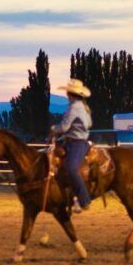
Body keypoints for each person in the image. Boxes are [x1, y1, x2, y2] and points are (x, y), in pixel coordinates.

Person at [50, 78, 94, 214]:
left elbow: (64, 127)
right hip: (74, 141)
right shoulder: (82, 107)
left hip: (77, 143)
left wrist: (53, 129)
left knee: (71, 167)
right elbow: (89, 124)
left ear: (70, 94)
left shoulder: (74, 107)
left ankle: (84, 199)